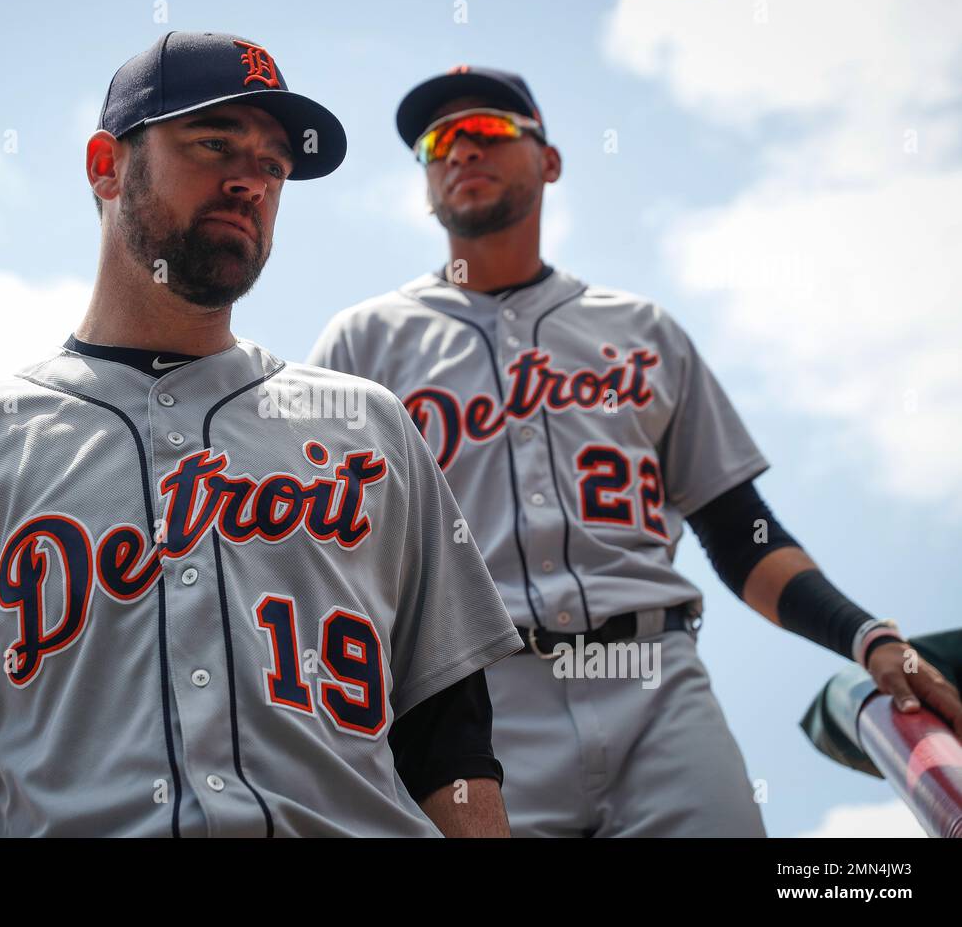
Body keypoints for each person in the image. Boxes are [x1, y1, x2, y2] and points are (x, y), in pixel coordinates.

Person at [0, 34, 524, 838]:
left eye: (273, 165)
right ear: (105, 165)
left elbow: (454, 756)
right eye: (214, 143)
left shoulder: (369, 429)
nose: (249, 181)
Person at [307, 65, 962, 836]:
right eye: (437, 141)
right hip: (475, 703)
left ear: (549, 160)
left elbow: (735, 526)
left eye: (486, 130)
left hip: (655, 685)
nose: (459, 151)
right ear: (424, 183)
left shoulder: (642, 330)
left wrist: (867, 636)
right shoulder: (363, 341)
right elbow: (330, 559)